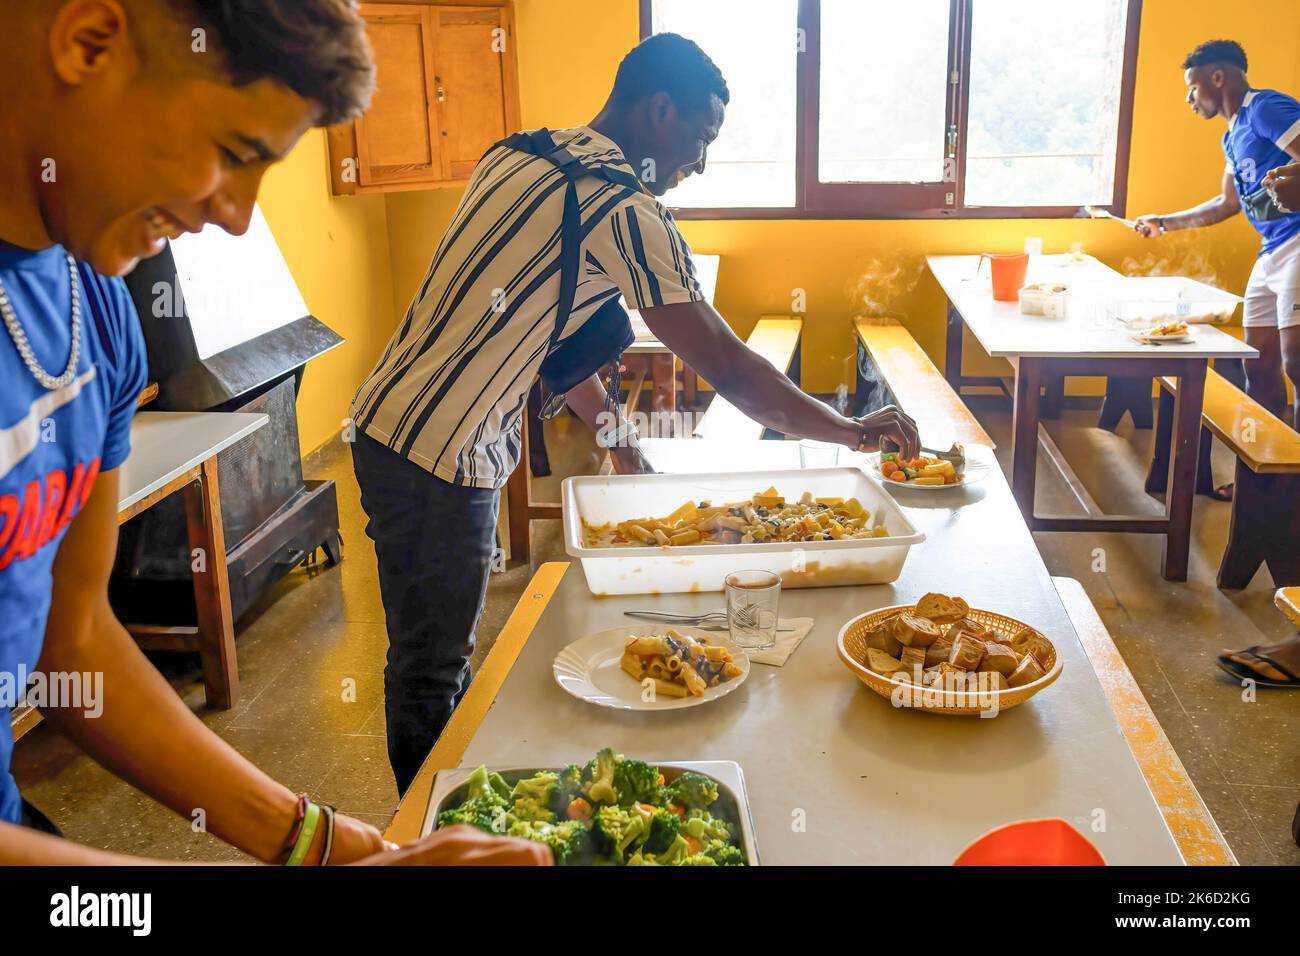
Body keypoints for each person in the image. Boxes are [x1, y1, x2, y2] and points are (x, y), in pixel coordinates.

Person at [0, 0, 546, 866]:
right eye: (232, 153)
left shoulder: (92, 305)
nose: (237, 216)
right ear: (89, 41)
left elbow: (71, 642)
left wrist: (327, 849)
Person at [350, 32, 920, 794]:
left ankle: (440, 814)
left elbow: (553, 334)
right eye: (702, 136)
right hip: (438, 454)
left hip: (392, 422)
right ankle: (424, 835)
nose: (702, 162)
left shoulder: (518, 153)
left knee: (430, 654)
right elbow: (733, 371)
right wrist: (852, 430)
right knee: (431, 666)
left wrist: (621, 442)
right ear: (660, 112)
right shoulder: (625, 209)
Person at [1134, 40, 1300, 500]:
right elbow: (1226, 204)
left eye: (1192, 89)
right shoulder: (1232, 135)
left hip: (1298, 242)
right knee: (1260, 367)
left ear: (1218, 78)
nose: (1190, 100)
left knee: (1296, 363)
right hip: (1271, 252)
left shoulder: (1264, 107)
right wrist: (1163, 222)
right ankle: (1266, 484)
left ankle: (1295, 491)